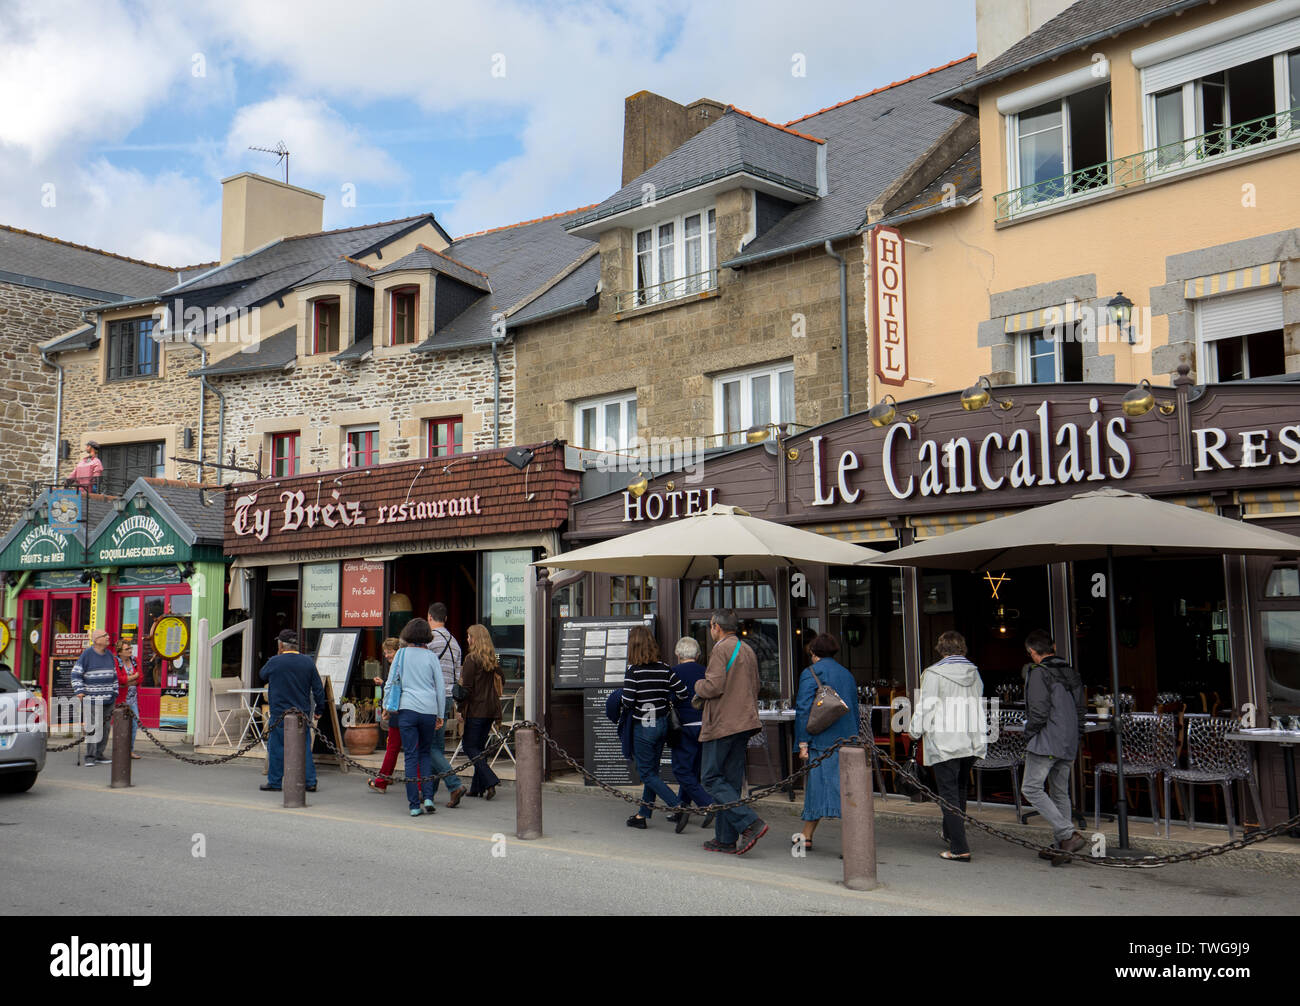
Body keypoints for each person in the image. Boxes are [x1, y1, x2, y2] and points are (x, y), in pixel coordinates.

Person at [910, 631, 986, 862]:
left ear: (941, 649)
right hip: (971, 739)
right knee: (959, 789)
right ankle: (951, 832)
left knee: (948, 793)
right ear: (962, 648)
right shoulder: (974, 672)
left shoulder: (934, 673)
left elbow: (926, 707)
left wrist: (914, 731)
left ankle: (959, 847)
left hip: (945, 740)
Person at [696, 610, 767, 855]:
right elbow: (757, 685)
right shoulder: (747, 649)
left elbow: (713, 686)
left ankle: (750, 823)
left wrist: (698, 685)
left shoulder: (720, 649)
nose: (710, 630)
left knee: (710, 778)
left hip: (723, 723)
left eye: (711, 625)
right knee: (730, 781)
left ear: (716, 626)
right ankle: (725, 838)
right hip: (744, 722)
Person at [1021, 629, 1087, 864]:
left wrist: (1028, 734)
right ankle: (1063, 847)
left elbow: (1038, 711)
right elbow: (1081, 709)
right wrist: (1077, 735)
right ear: (1054, 648)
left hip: (1047, 739)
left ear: (1032, 652)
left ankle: (1068, 834)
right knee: (1060, 792)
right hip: (1069, 740)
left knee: (1031, 788)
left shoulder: (1039, 672)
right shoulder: (1070, 671)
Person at [793, 633, 860, 852]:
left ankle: (851, 842)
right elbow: (854, 708)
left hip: (821, 739)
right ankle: (806, 834)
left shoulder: (811, 672)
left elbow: (804, 709)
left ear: (813, 652)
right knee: (843, 787)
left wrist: (802, 743)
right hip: (847, 738)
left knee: (822, 787)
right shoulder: (846, 674)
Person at [620, 626, 689, 829]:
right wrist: (666, 700)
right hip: (661, 724)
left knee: (646, 773)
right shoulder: (665, 669)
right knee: (652, 771)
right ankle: (642, 815)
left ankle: (678, 806)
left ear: (633, 646)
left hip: (643, 726)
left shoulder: (633, 671)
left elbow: (627, 702)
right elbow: (683, 692)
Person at [384, 619, 446, 817]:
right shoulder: (431, 657)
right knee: (425, 754)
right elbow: (441, 688)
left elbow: (390, 682)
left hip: (407, 709)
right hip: (429, 710)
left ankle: (414, 805)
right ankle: (428, 797)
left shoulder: (401, 654)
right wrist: (440, 714)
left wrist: (386, 706)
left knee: (410, 756)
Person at [259, 629, 326, 794]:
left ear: (281, 645)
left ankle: (275, 781)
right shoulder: (308, 662)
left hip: (279, 713)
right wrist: (319, 709)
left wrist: (277, 656)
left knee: (276, 748)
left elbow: (262, 675)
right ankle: (310, 781)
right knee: (303, 748)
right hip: (301, 713)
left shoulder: (275, 661)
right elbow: (318, 688)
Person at [666, 637, 716, 833]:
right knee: (693, 770)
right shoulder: (706, 671)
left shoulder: (673, 672)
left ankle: (707, 804)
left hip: (684, 725)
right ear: (698, 654)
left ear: (677, 654)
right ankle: (681, 809)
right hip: (705, 724)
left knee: (681, 770)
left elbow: (670, 698)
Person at [426, 603, 467, 807]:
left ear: (429, 617)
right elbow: (458, 674)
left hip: (432, 697)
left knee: (428, 746)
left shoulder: (430, 640)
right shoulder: (455, 643)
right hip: (448, 697)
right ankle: (430, 792)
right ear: (446, 619)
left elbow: (425, 668)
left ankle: (454, 784)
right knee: (437, 746)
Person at [457, 624, 503, 800]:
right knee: (480, 749)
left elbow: (466, 689)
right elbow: (502, 679)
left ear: (475, 639)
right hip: (491, 709)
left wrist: (460, 709)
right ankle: (477, 788)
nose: (467, 639)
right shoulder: (491, 660)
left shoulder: (471, 659)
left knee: (469, 746)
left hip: (476, 709)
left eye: (469, 636)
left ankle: (490, 780)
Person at [71, 629, 117, 765]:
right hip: (92, 698)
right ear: (96, 640)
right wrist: (79, 690)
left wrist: (115, 692)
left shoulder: (109, 654)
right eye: (105, 635)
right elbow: (76, 674)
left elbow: (114, 674)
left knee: (106, 728)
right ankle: (90, 757)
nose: (108, 637)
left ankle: (99, 754)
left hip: (109, 698)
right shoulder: (87, 654)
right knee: (92, 727)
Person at [368, 637, 403, 793]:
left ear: (397, 650)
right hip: (407, 709)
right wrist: (383, 684)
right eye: (385, 652)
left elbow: (395, 688)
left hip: (398, 711)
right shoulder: (404, 664)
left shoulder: (397, 666)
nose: (387, 655)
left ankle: (382, 781)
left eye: (389, 652)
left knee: (392, 747)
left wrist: (387, 708)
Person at [115, 639, 143, 760]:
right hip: (121, 699)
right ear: (120, 652)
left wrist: (128, 680)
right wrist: (133, 677)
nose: (130, 650)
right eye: (127, 649)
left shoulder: (135, 660)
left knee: (134, 724)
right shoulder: (116, 662)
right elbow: (119, 679)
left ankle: (129, 751)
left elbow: (140, 677)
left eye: (130, 648)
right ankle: (120, 750)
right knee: (121, 726)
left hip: (133, 699)